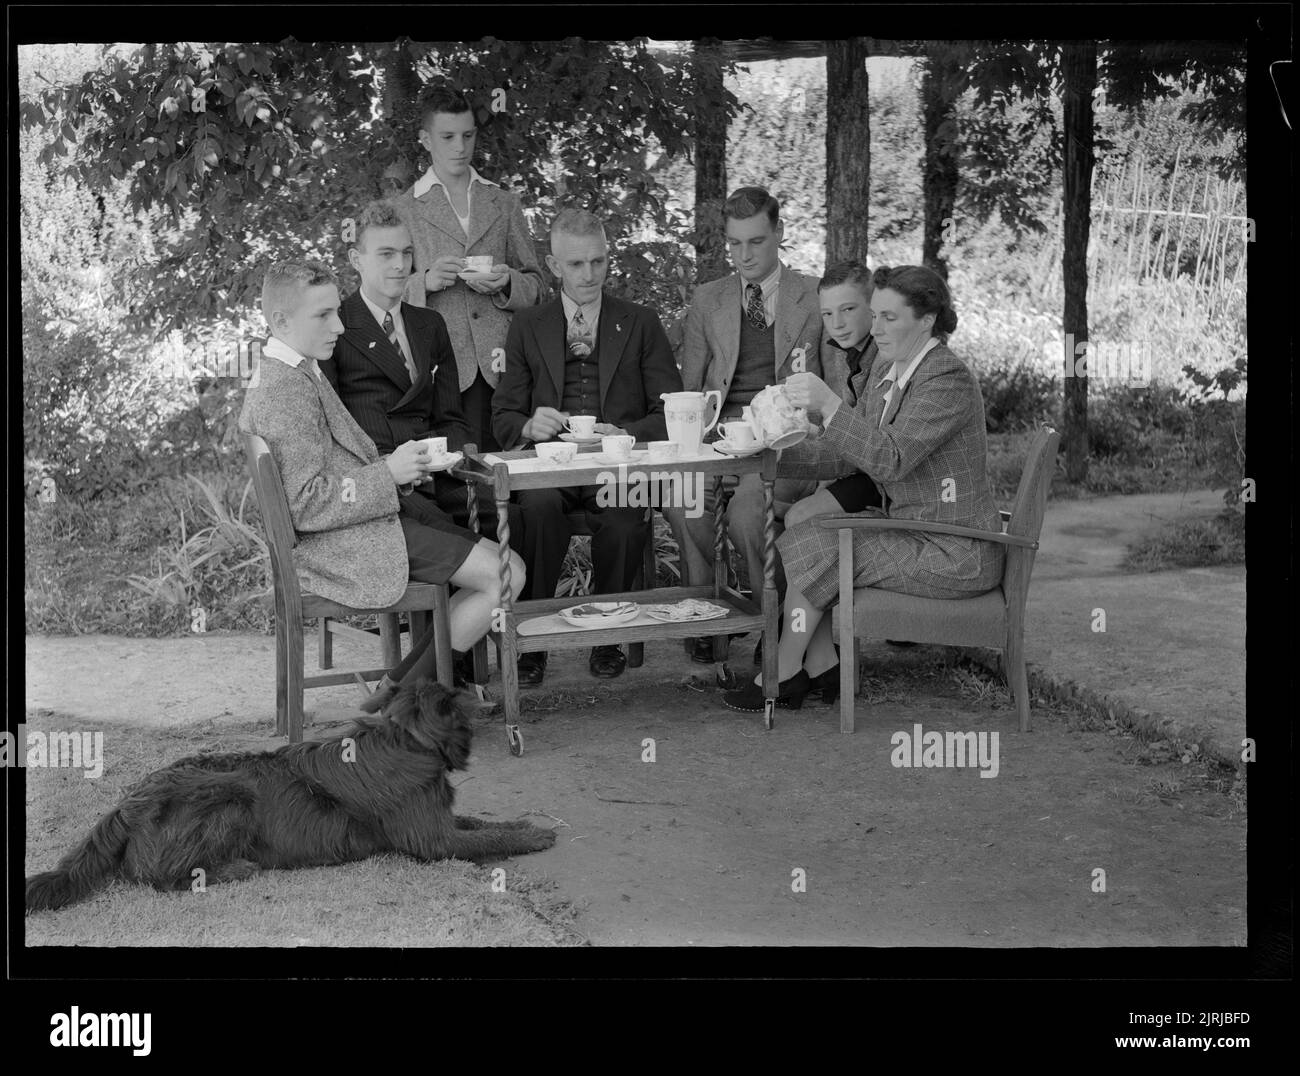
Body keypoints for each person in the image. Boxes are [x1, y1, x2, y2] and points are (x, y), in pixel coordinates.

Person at [239, 260, 526, 712]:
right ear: (281, 321)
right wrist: (387, 474)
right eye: (323, 315)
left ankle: (400, 693)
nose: (338, 325)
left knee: (501, 564)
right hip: (342, 542)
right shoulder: (283, 390)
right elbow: (306, 504)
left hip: (364, 524)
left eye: (337, 311)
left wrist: (396, 467)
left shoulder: (297, 369)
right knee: (506, 576)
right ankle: (399, 707)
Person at [720, 265, 1005, 712]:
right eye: (875, 316)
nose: (877, 327)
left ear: (927, 319)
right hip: (914, 529)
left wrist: (830, 404)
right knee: (808, 536)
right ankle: (816, 668)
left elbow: (888, 460)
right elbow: (855, 453)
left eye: (890, 317)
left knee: (822, 546)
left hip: (957, 550)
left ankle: (781, 674)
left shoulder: (944, 379)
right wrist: (766, 449)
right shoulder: (892, 371)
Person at [321, 199, 525, 680]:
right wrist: (393, 469)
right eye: (385, 254)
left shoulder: (429, 324)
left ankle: (496, 667)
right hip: (381, 489)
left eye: (407, 254)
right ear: (357, 261)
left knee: (520, 515)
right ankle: (425, 687)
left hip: (435, 478)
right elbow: (333, 432)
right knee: (500, 565)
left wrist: (447, 459)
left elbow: (451, 416)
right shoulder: (336, 328)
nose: (399, 265)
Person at [492, 206, 683, 685]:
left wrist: (629, 434)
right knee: (535, 509)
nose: (590, 274)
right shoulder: (527, 326)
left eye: (598, 261)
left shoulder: (640, 322)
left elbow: (671, 411)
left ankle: (608, 634)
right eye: (576, 264)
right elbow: (503, 416)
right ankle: (533, 636)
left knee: (622, 515)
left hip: (616, 470)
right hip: (549, 469)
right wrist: (530, 425)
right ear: (554, 266)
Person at [664, 186, 824, 665]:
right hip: (722, 438)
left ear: (779, 234)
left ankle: (769, 620)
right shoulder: (708, 299)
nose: (744, 255)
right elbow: (691, 386)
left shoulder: (815, 298)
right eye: (734, 244)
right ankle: (707, 615)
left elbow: (837, 391)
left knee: (748, 513)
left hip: (789, 441)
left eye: (755, 241)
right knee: (684, 499)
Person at [395, 83, 546, 452]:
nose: (460, 147)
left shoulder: (504, 202)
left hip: (505, 369)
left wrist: (508, 284)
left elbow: (539, 286)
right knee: (457, 483)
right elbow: (381, 295)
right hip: (439, 368)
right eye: (447, 137)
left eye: (467, 135)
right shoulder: (405, 210)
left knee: (510, 477)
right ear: (425, 139)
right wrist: (425, 282)